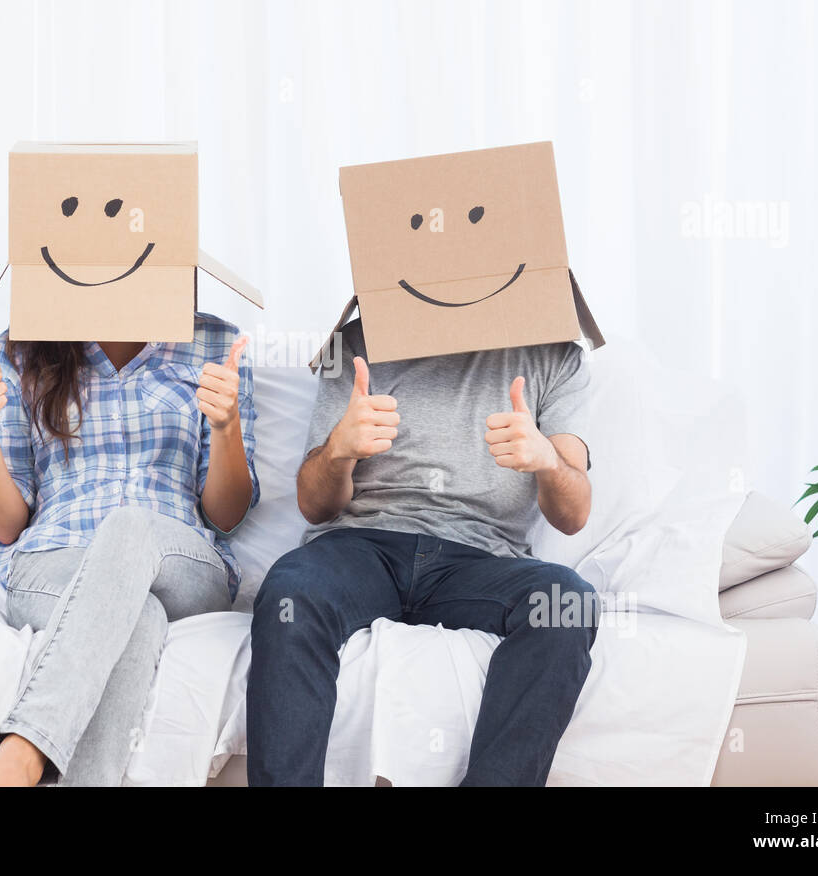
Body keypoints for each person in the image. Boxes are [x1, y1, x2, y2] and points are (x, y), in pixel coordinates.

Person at [247, 319, 598, 786]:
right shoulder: (355, 343)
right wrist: (338, 451)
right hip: (362, 547)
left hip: (481, 561)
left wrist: (548, 460)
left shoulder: (556, 356)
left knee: (567, 606)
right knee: (290, 592)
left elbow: (573, 516)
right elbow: (314, 506)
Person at [0, 314, 258, 786]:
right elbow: (5, 523)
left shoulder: (215, 341)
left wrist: (227, 425)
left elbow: (226, 514)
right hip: (55, 561)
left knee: (130, 525)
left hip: (177, 560)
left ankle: (22, 753)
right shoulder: (20, 348)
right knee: (135, 617)